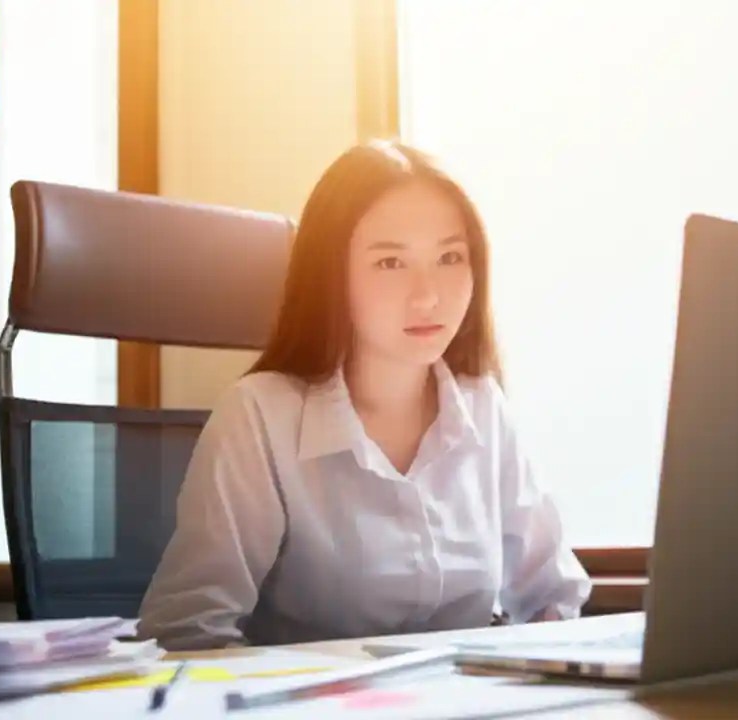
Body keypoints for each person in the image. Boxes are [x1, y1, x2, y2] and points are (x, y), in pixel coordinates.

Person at [138, 140, 590, 650]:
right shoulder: (261, 416)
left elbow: (552, 594)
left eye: (449, 256)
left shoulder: (482, 407)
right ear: (332, 276)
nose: (428, 295)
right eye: (390, 263)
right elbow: (188, 630)